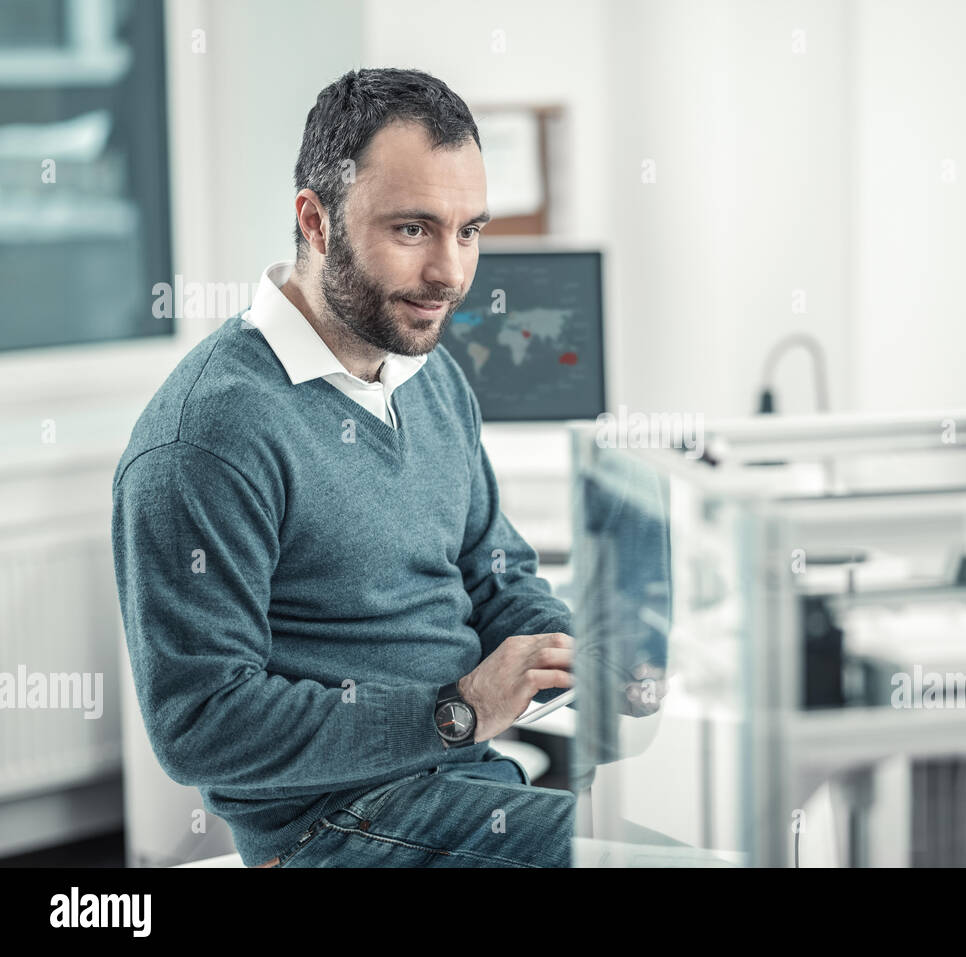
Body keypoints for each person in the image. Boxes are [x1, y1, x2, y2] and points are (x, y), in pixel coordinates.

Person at [110, 68, 623, 868]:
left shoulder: (429, 375)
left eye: (469, 230)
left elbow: (495, 576)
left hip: (465, 785)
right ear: (315, 222)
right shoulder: (207, 435)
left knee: (717, 831)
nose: (452, 275)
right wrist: (454, 711)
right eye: (413, 229)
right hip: (329, 830)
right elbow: (200, 724)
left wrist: (567, 650)